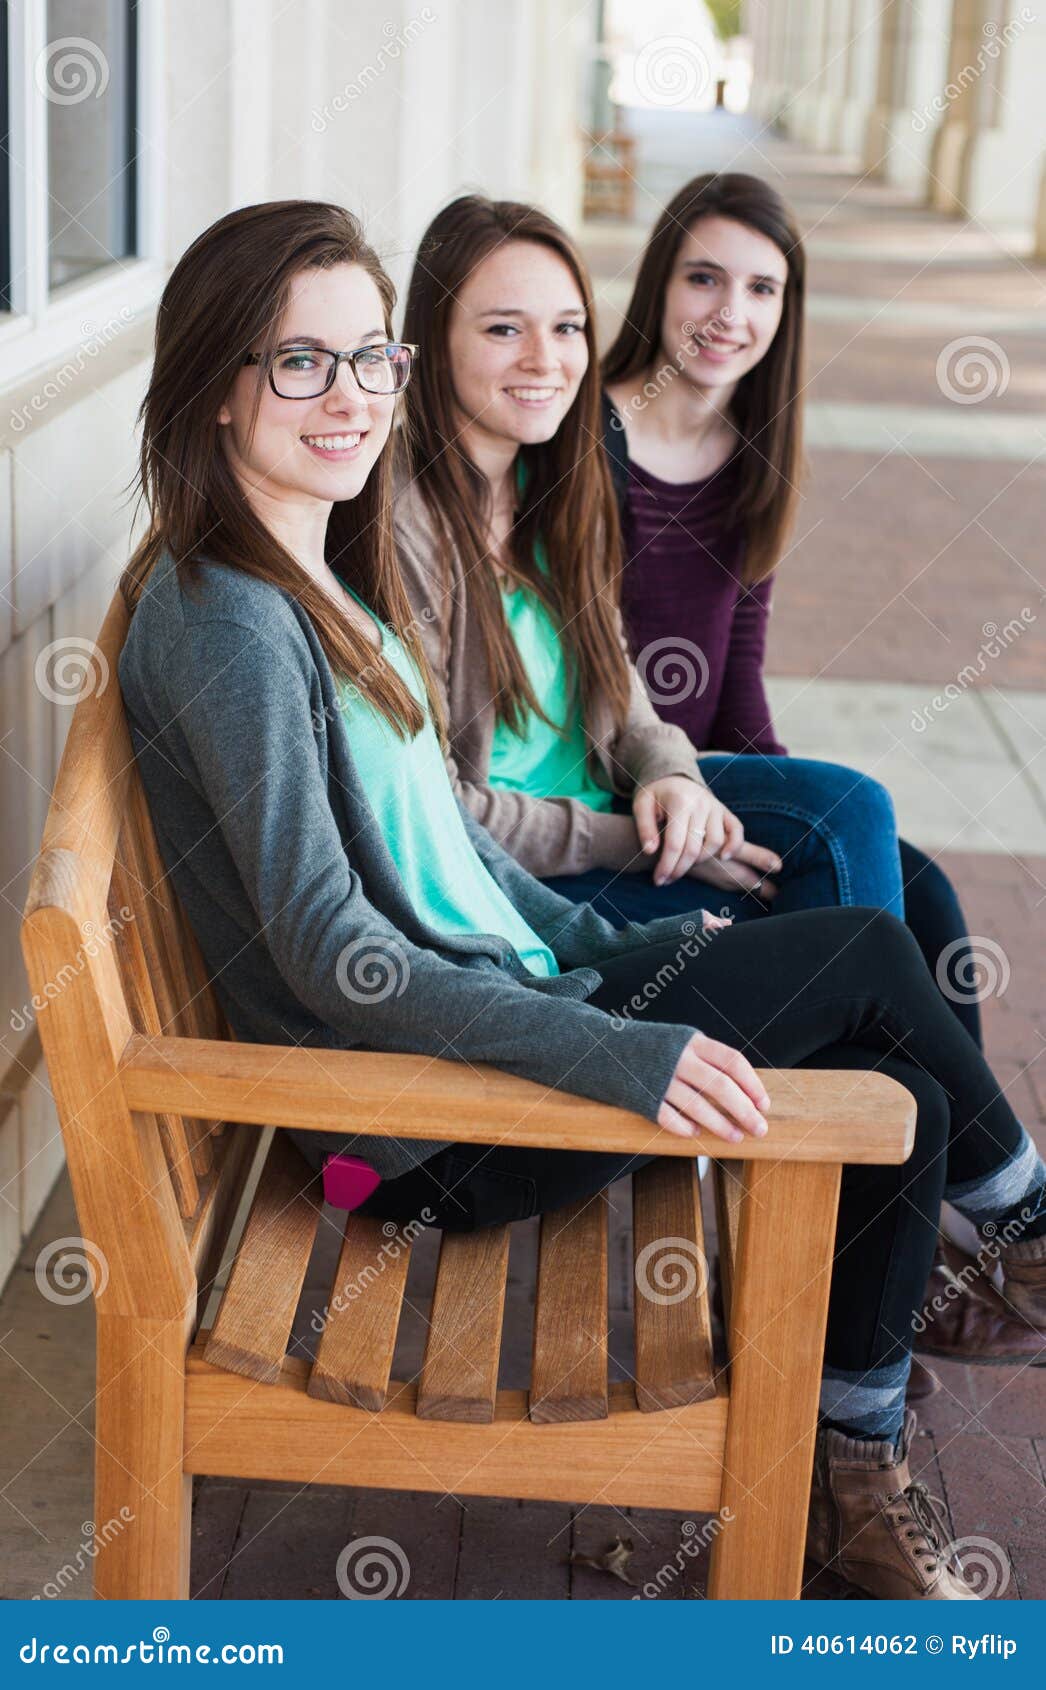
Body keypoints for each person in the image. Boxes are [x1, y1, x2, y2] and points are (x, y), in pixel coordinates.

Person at [117, 199, 1046, 1601]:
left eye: (368, 358)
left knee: (886, 1080)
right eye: (299, 362)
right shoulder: (230, 619)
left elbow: (451, 850)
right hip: (417, 1135)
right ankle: (1027, 1235)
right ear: (213, 382)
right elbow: (326, 950)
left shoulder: (312, 572)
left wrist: (630, 947)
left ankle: (846, 1466)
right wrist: (618, 1045)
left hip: (486, 1028)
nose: (349, 397)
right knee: (864, 949)